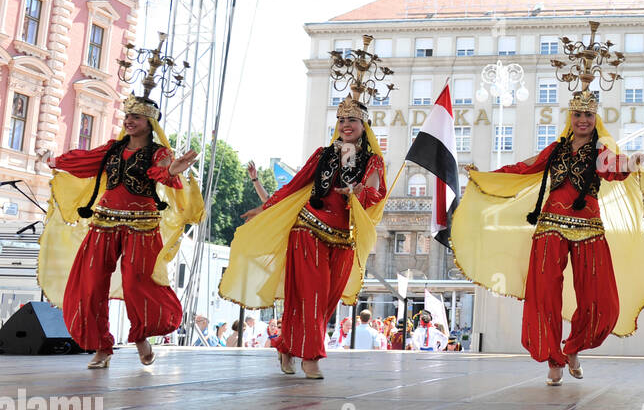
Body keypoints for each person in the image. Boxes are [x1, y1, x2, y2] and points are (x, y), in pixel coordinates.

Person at [451, 22, 644, 385]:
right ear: (570, 118)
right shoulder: (557, 149)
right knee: (543, 294)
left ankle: (574, 345)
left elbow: (614, 169)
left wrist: (632, 162)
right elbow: (524, 167)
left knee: (600, 302)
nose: (582, 120)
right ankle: (553, 359)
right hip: (548, 227)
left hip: (589, 227)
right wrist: (485, 176)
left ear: (595, 120)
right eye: (577, 115)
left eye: (588, 116)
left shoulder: (601, 150)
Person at [221, 43, 388, 379]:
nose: (345, 124)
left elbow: (375, 193)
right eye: (341, 119)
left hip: (343, 237)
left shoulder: (373, 161)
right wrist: (265, 209)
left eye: (352, 120)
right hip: (308, 230)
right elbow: (293, 186)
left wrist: (358, 191)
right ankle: (311, 357)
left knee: (325, 301)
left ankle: (286, 344)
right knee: (309, 295)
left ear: (364, 125)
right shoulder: (322, 155)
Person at [36, 85, 204, 369]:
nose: (129, 121)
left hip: (142, 226)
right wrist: (54, 161)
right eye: (128, 115)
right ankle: (102, 346)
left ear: (149, 123)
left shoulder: (158, 151)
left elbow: (162, 172)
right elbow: (86, 161)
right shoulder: (113, 149)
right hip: (104, 223)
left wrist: (173, 170)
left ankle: (141, 337)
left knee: (137, 283)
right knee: (90, 284)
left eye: (136, 117)